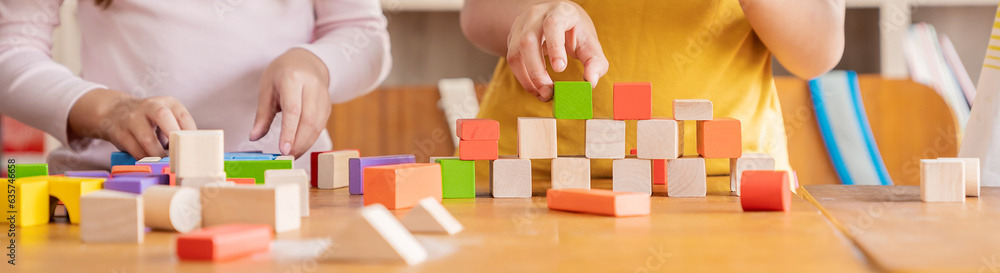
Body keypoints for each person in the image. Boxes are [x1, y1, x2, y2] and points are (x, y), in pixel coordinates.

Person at [461, 0, 845, 178]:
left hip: (726, 181)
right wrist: (541, 14)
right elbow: (478, 12)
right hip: (531, 173)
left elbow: (818, 51)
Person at [0, 0, 391, 173]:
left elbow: (362, 34)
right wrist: (103, 109)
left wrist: (316, 64)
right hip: (115, 185)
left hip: (288, 185)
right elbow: (11, 47)